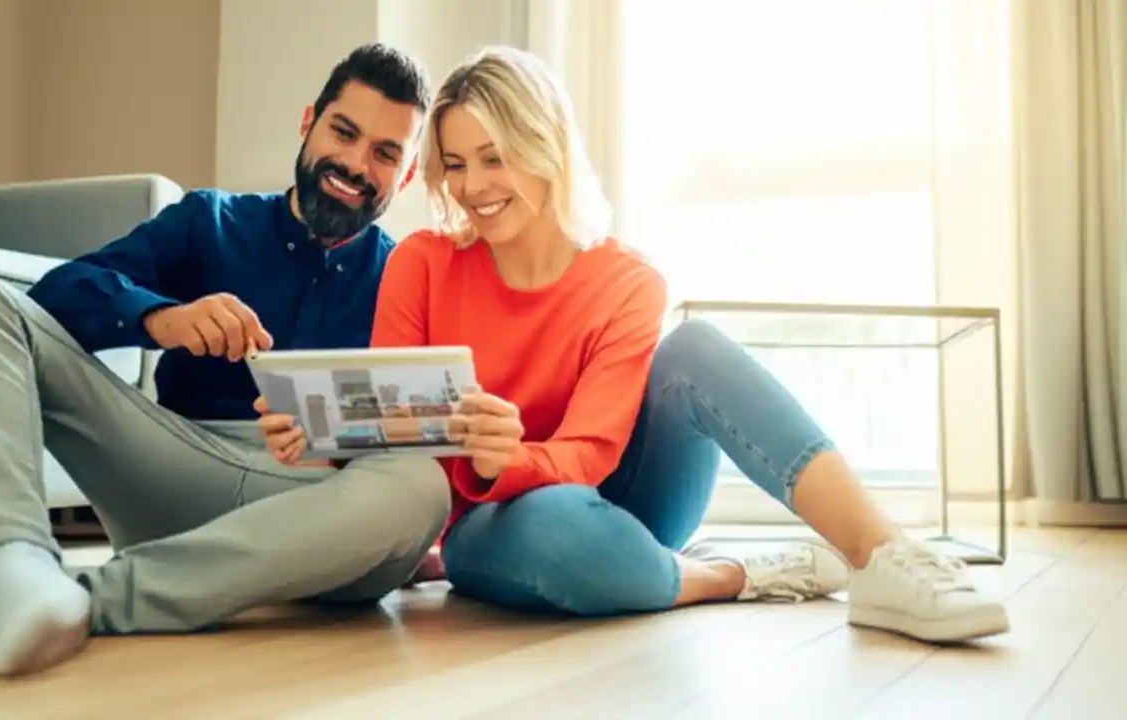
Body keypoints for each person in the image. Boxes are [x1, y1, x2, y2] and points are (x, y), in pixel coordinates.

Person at [262, 45, 1010, 644]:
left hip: (629, 498)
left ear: (547, 147)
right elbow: (396, 436)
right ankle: (726, 575)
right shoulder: (422, 264)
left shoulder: (627, 281)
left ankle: (883, 556)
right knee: (556, 526)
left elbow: (591, 452)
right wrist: (325, 438)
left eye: (495, 157)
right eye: (454, 165)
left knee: (697, 347)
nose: (472, 186)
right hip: (501, 526)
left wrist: (512, 453)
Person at [0, 43, 451, 677]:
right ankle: (12, 561)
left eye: (385, 153)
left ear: (405, 177)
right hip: (180, 469)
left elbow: (422, 431)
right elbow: (57, 296)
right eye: (344, 132)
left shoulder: (405, 275)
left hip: (318, 506)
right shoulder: (207, 221)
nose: (356, 164)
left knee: (421, 487)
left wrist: (404, 519)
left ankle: (63, 597)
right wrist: (161, 319)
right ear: (309, 122)